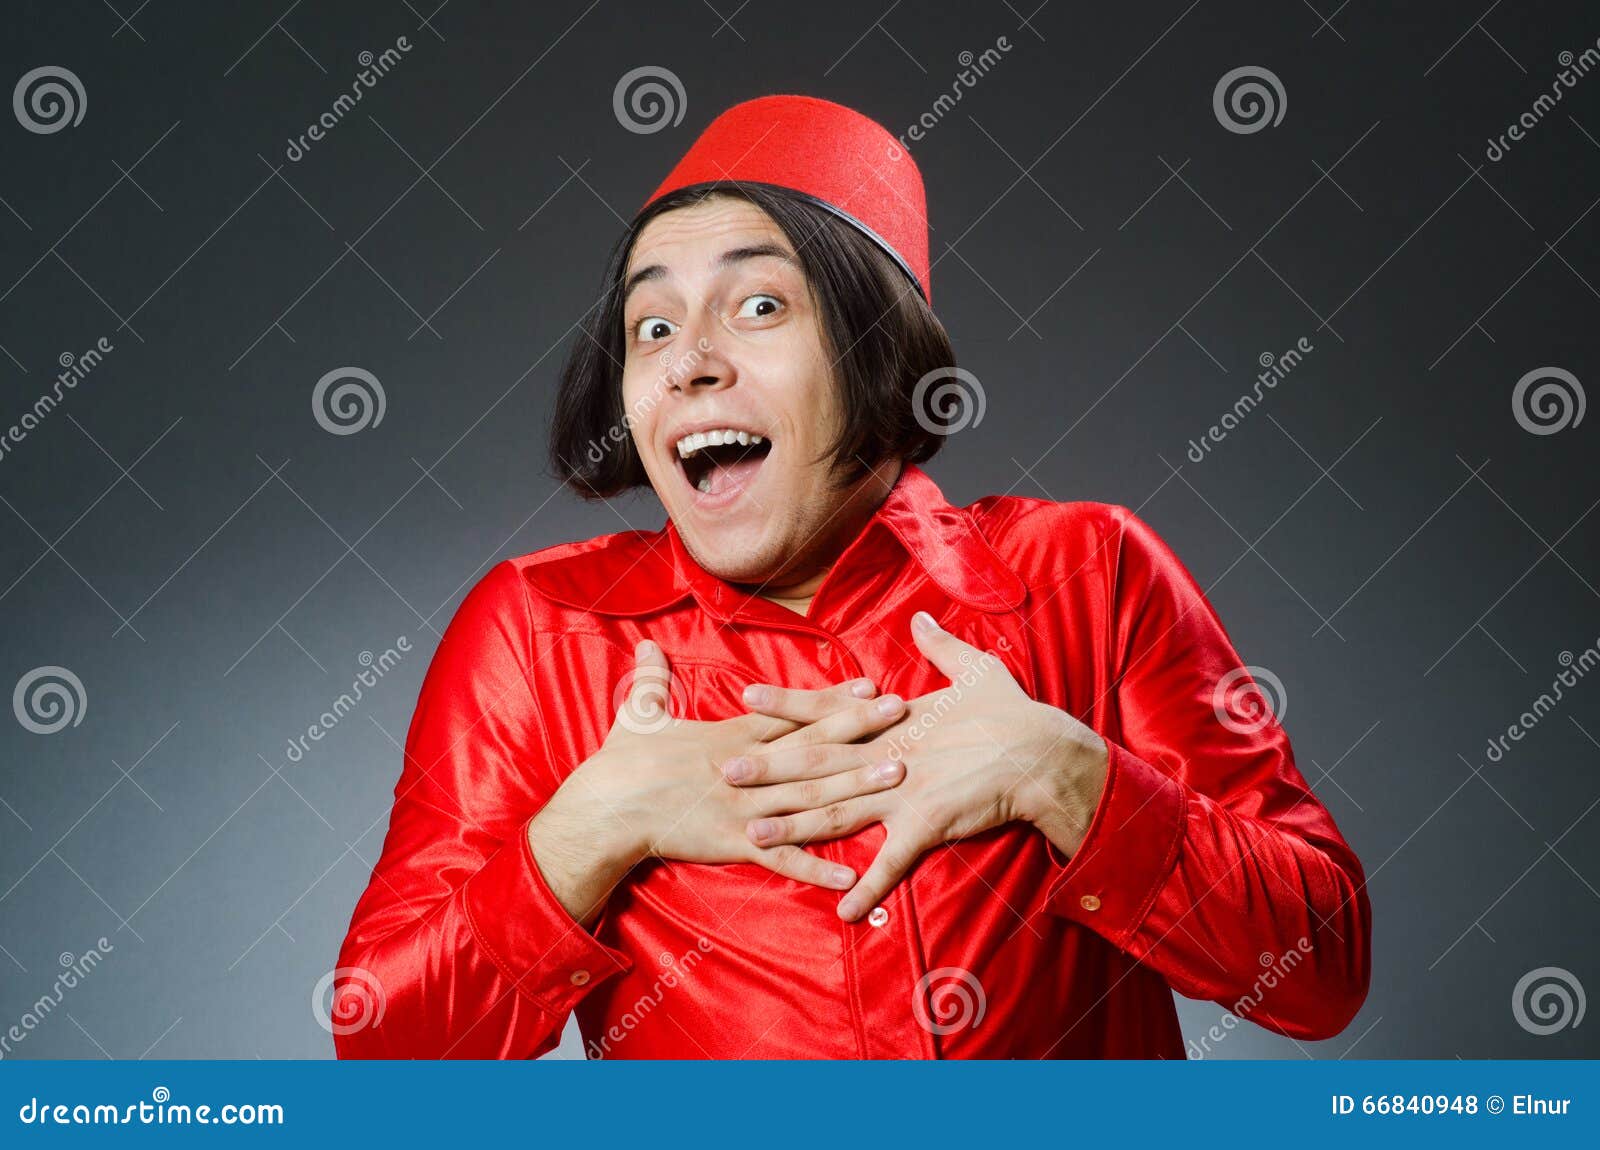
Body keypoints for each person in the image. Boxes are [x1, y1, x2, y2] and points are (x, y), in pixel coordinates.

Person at [333, 94, 1371, 1058]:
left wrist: (1076, 780)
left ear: (878, 349)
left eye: (758, 307)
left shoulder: (1089, 571)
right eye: (651, 325)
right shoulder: (535, 630)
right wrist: (586, 835)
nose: (687, 359)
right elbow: (382, 1048)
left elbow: (1320, 972)